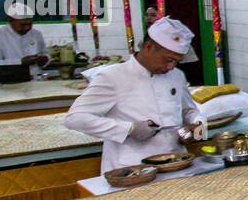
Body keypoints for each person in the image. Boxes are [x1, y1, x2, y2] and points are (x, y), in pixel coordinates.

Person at [64, 17, 206, 174]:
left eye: (176, 62)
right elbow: (75, 118)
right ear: (148, 47)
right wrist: (129, 129)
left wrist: (198, 127)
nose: (171, 67)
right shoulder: (113, 76)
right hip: (131, 168)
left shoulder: (176, 76)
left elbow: (189, 111)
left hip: (176, 163)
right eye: (168, 60)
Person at [0, 1, 48, 69]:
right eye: (23, 24)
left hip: (36, 77)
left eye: (30, 24)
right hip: (10, 78)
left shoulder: (36, 34)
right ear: (10, 20)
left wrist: (45, 59)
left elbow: (44, 53)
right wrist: (20, 62)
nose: (27, 27)